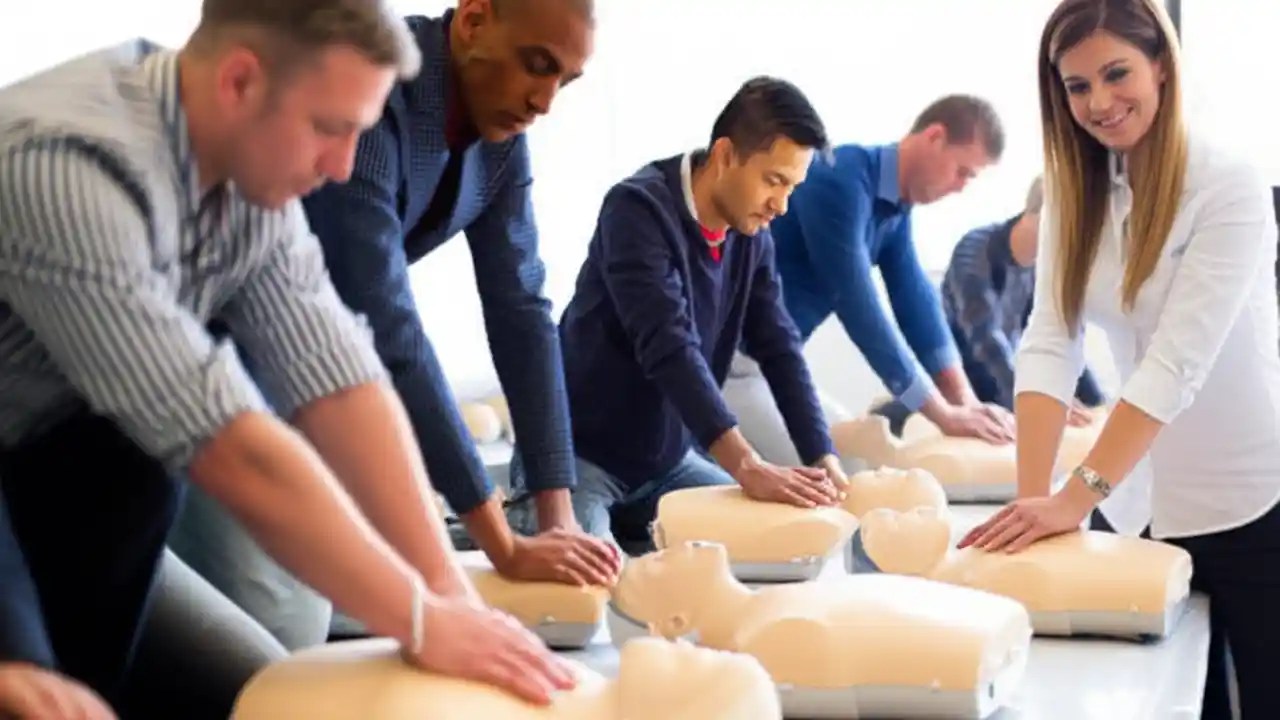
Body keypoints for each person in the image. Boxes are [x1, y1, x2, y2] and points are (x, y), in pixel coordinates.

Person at [0, 0, 572, 717]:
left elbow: (344, 382)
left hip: (83, 483)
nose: (340, 167)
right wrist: (418, 619)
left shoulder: (253, 182)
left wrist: (447, 597)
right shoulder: (69, 165)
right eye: (331, 131)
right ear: (241, 80)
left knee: (274, 696)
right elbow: (230, 446)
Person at [168, 0, 620, 649]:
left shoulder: (500, 143)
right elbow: (388, 321)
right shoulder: (374, 91)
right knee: (286, 627)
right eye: (536, 66)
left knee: (380, 581)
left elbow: (521, 306)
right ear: (473, 21)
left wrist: (556, 513)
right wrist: (500, 541)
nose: (544, 100)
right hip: (206, 349)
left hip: (306, 352)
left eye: (564, 82)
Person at [959, 1, 1280, 718]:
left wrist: (1077, 496)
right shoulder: (1077, 193)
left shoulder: (1229, 187)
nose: (1100, 103)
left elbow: (1176, 363)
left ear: (1161, 65)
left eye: (1116, 74)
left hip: (1250, 503)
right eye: (1077, 87)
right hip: (1138, 509)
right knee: (1168, 701)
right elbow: (1049, 340)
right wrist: (1033, 497)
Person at [506, 76, 847, 553]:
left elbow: (779, 345)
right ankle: (522, 510)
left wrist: (821, 453)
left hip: (666, 467)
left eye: (792, 186)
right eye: (774, 180)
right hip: (578, 461)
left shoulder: (752, 235)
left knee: (778, 539)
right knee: (590, 579)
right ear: (726, 155)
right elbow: (668, 345)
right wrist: (746, 463)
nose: (782, 205)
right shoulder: (636, 209)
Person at [758, 95, 1017, 448]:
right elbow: (859, 307)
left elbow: (916, 303)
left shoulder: (894, 211)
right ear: (935, 137)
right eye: (962, 172)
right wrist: (941, 413)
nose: (960, 188)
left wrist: (966, 402)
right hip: (727, 366)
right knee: (836, 471)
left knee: (857, 452)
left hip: (775, 368)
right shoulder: (840, 178)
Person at [939, 175, 1107, 419]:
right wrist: (1034, 402)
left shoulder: (1042, 271)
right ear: (1042, 216)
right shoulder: (974, 249)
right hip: (960, 391)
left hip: (1004, 389)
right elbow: (986, 341)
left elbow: (1059, 340)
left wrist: (1099, 406)